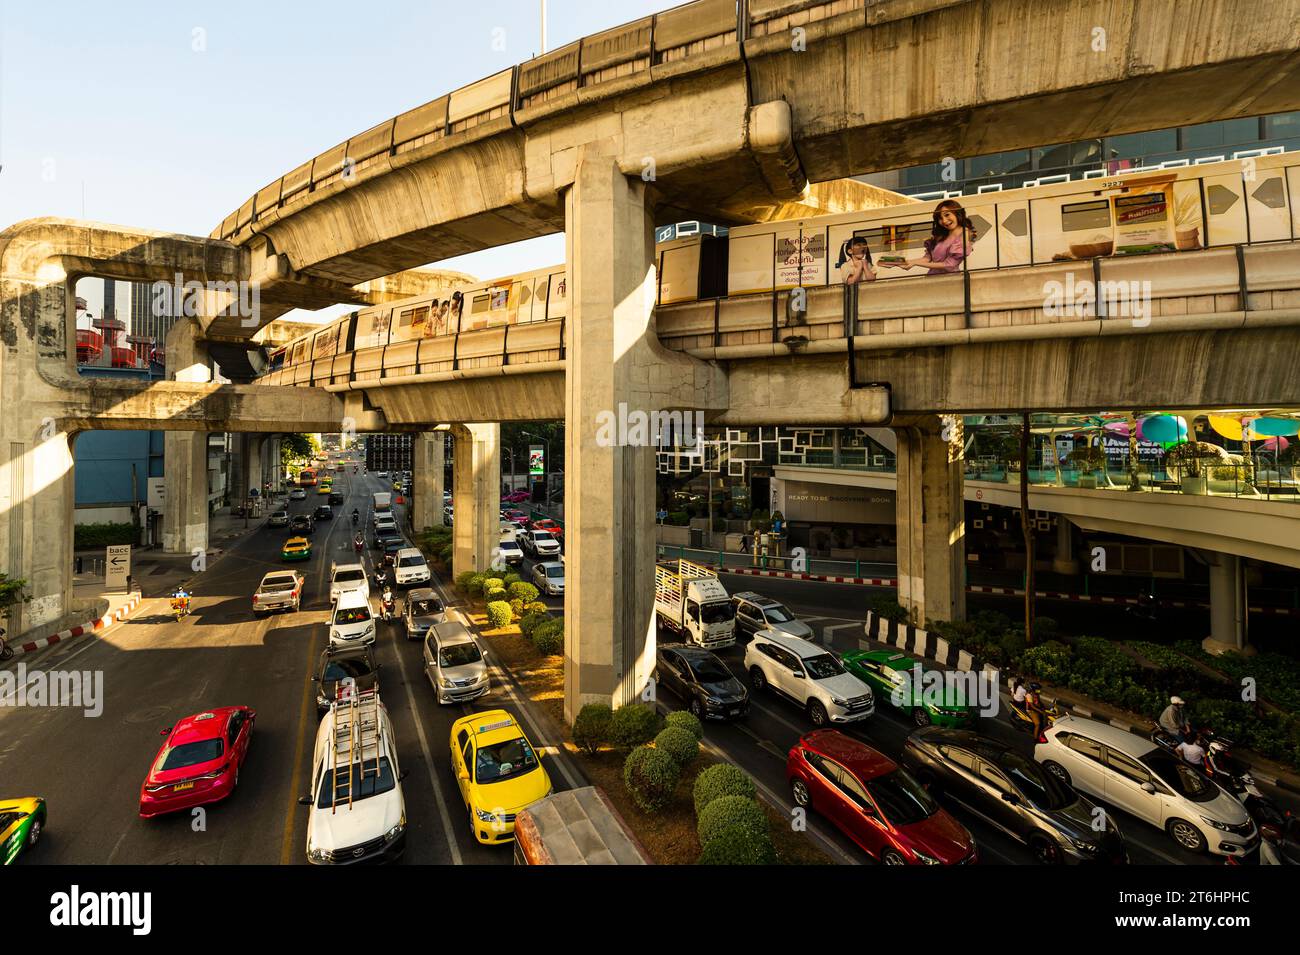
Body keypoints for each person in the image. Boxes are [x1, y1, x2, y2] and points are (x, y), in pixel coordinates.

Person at [878, 200, 978, 276]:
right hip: (932, 280)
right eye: (940, 218)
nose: (944, 220)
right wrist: (907, 262)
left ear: (957, 213)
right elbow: (927, 258)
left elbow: (949, 265)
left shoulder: (965, 233)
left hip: (950, 283)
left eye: (947, 215)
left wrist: (915, 264)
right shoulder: (941, 235)